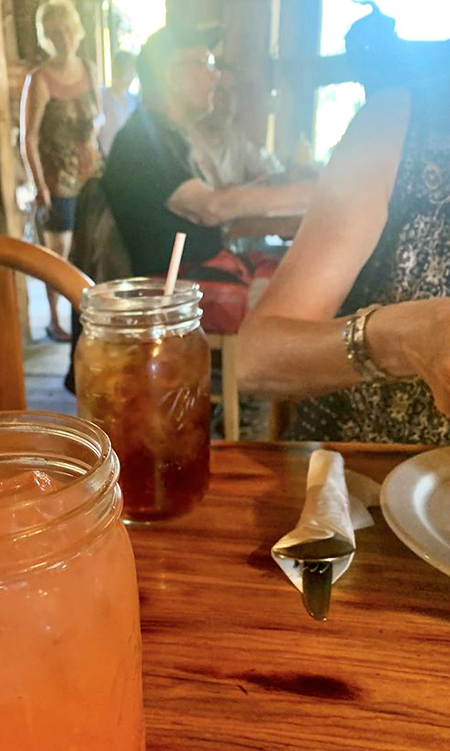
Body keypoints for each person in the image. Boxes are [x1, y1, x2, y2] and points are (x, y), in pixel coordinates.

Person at [237, 53, 450, 443]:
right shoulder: (398, 125)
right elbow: (254, 359)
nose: (213, 81)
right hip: (356, 465)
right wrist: (409, 335)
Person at [102, 25, 312, 279]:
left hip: (202, 274)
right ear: (173, 78)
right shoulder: (143, 140)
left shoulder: (167, 134)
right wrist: (311, 194)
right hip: (176, 290)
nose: (216, 75)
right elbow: (209, 208)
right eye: (207, 64)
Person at [20, 0, 101, 342]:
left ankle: (91, 316)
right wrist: (39, 184)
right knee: (58, 256)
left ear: (77, 32)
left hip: (91, 174)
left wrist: (92, 133)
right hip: (57, 179)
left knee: (94, 246)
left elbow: (98, 117)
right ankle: (55, 319)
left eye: (67, 30)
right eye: (54, 32)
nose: (63, 37)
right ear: (46, 37)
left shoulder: (90, 69)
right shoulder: (39, 80)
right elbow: (29, 137)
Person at [189, 67, 283, 190]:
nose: (228, 100)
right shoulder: (186, 142)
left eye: (232, 91)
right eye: (218, 91)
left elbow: (269, 166)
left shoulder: (235, 137)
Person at [98, 50, 137, 158]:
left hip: (130, 157)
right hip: (106, 157)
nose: (133, 75)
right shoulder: (102, 97)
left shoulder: (134, 101)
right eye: (130, 70)